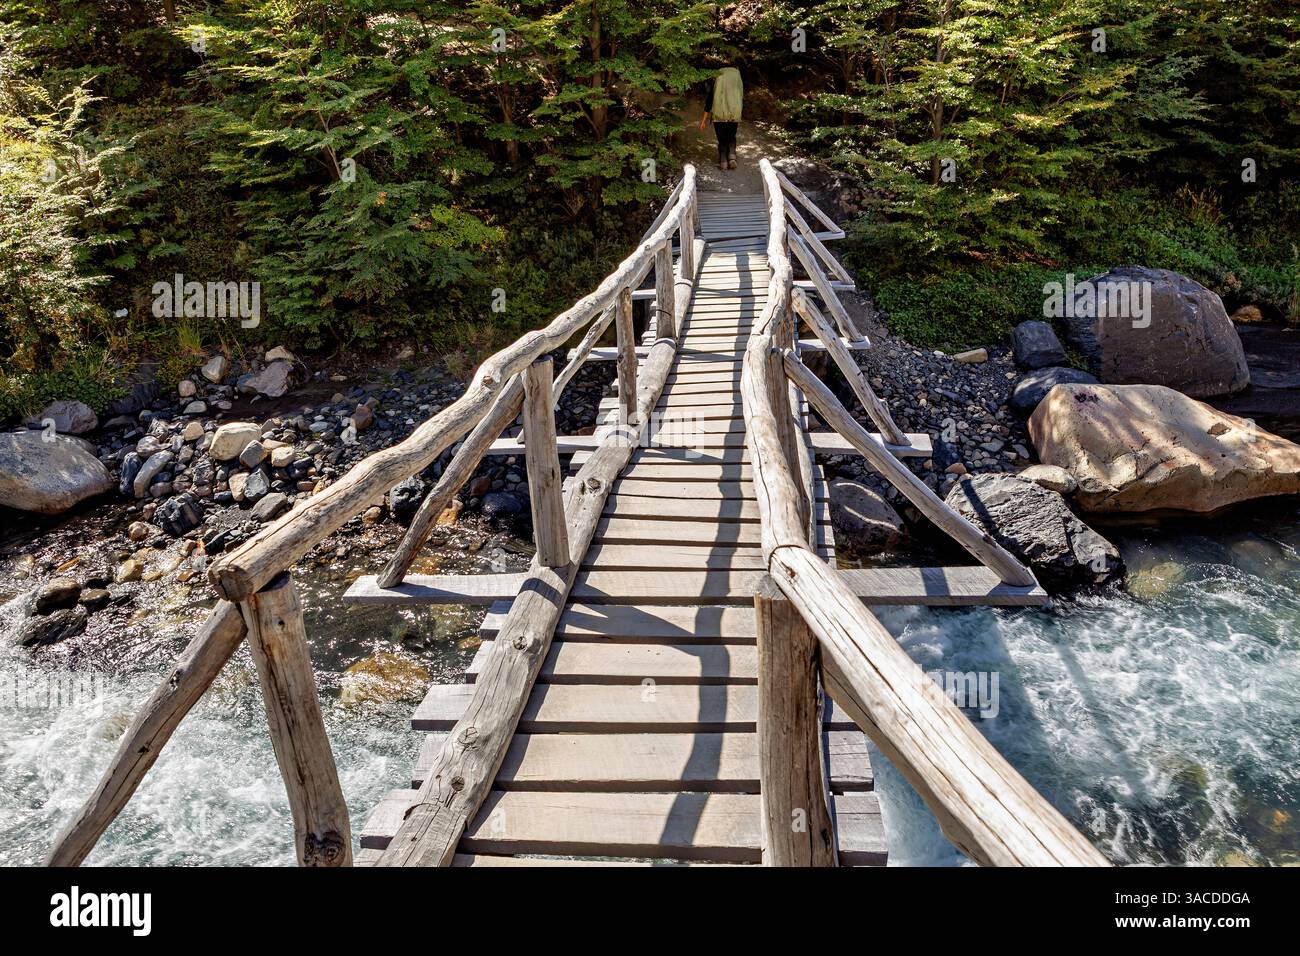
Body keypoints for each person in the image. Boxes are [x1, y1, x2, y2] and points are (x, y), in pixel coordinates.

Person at [699, 66, 743, 171]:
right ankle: (732, 156)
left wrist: (703, 121)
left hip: (719, 115)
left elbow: (709, 102)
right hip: (733, 113)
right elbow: (741, 98)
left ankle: (723, 161)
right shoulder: (737, 86)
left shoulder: (716, 84)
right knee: (731, 135)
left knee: (722, 138)